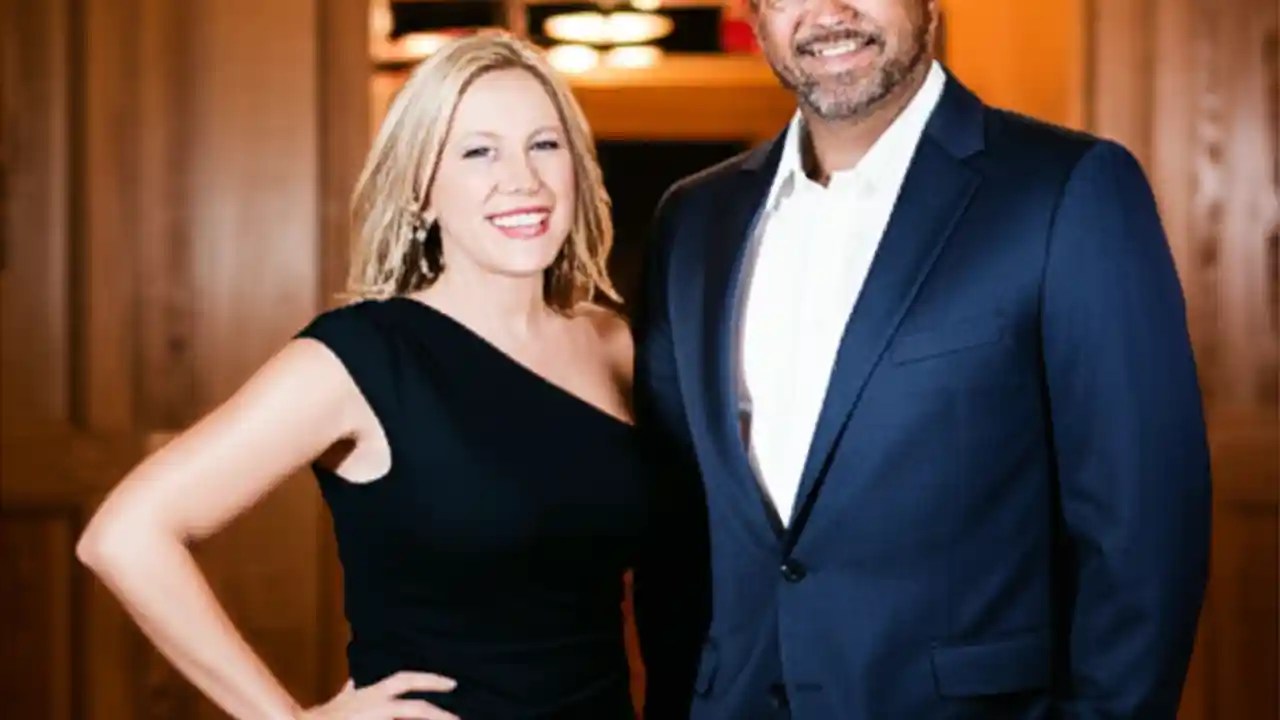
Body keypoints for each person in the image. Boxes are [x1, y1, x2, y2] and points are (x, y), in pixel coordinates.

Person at [633, 0, 1213, 717]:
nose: (828, 13)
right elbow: (674, 527)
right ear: (753, 16)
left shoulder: (1068, 189)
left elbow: (1144, 539)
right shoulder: (693, 219)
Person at [77, 31, 674, 720]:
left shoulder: (612, 345)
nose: (523, 179)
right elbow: (125, 536)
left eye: (544, 144)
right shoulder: (359, 358)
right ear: (421, 192)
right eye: (478, 152)